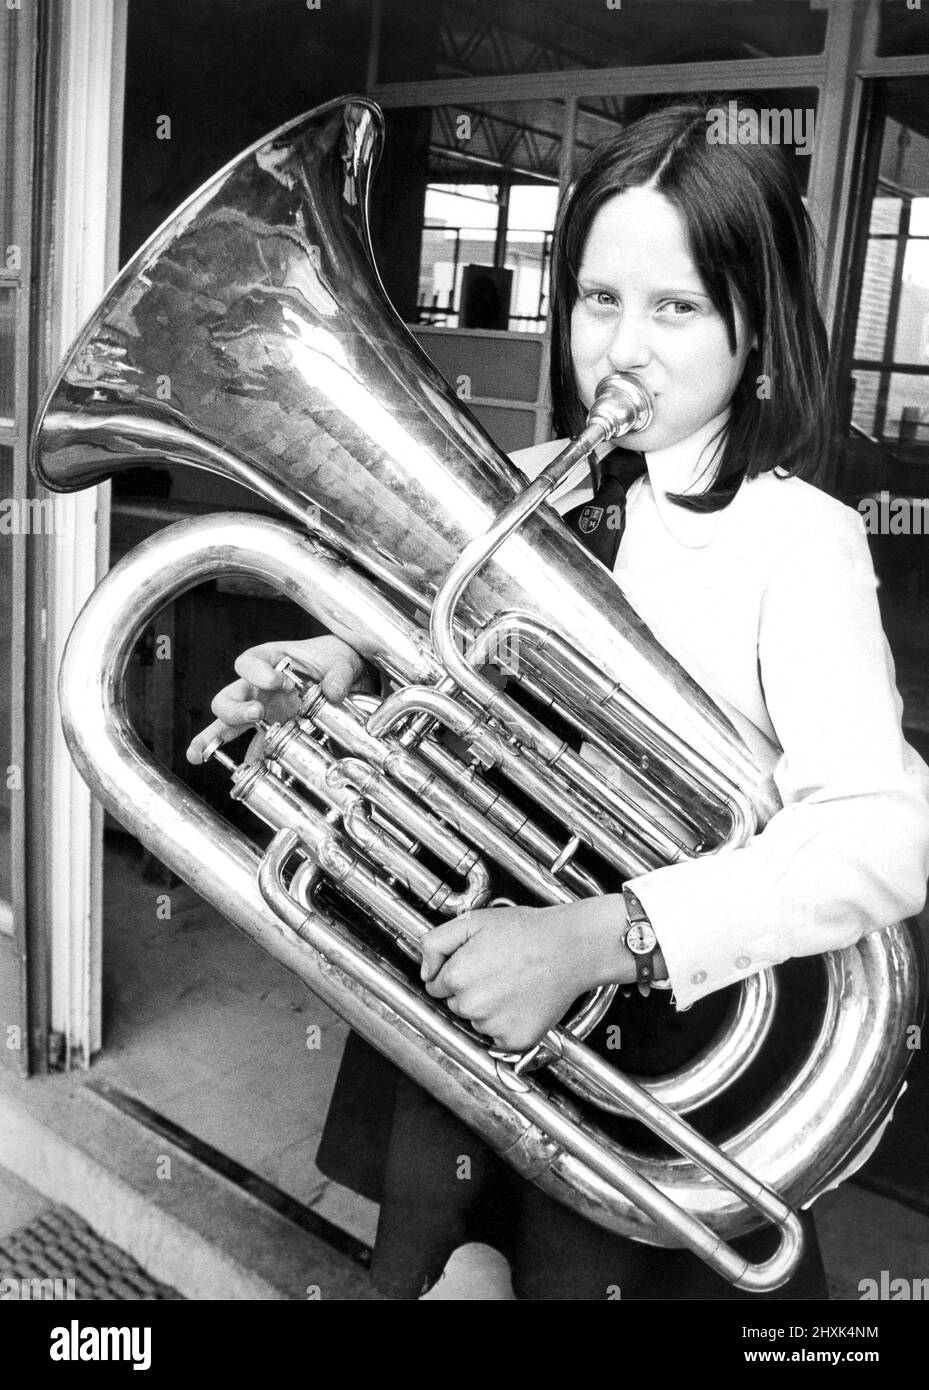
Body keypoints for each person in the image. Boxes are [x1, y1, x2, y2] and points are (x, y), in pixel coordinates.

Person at [187, 100, 929, 1300]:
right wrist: (342, 669)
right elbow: (449, 672)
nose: (622, 347)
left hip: (654, 1052)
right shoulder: (524, 483)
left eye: (675, 307)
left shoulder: (798, 540)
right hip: (468, 995)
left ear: (759, 330)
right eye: (596, 299)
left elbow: (887, 832)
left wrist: (606, 934)